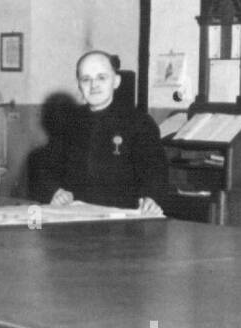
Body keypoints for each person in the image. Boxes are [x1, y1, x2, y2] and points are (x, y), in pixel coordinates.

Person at [40, 50, 169, 216]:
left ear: (116, 81)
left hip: (123, 222)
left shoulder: (140, 123)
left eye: (102, 78)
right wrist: (55, 191)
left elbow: (155, 172)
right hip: (75, 217)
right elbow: (47, 169)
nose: (94, 85)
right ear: (79, 85)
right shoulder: (69, 123)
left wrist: (152, 198)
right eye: (86, 79)